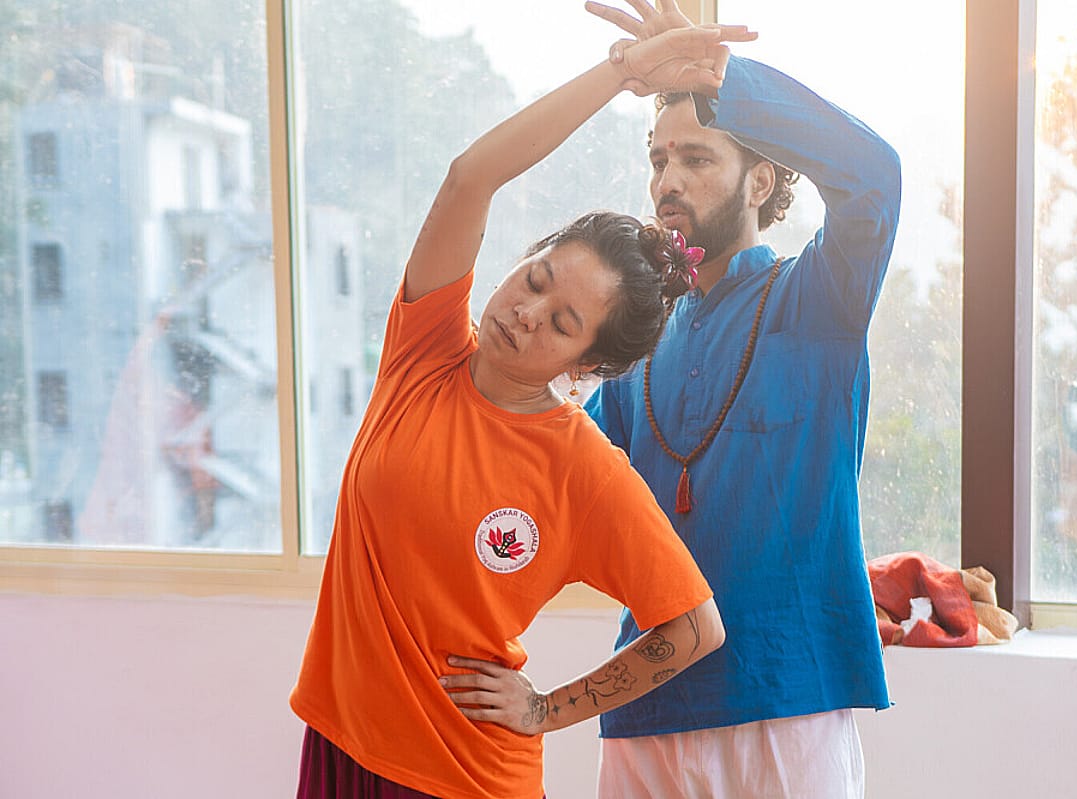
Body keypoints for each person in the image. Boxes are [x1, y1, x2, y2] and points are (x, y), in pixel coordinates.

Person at [288, 23, 760, 799]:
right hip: (340, 743)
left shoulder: (582, 466)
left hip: (464, 777)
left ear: (590, 366)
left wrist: (545, 708)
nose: (526, 311)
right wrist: (622, 72)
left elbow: (692, 627)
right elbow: (470, 177)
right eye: (537, 277)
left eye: (565, 321)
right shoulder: (426, 349)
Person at [579, 2, 903, 796]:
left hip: (789, 704)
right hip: (647, 707)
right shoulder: (639, 345)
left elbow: (874, 178)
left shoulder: (817, 301)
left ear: (761, 177)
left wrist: (719, 76)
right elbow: (559, 478)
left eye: (695, 156)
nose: (668, 180)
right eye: (658, 160)